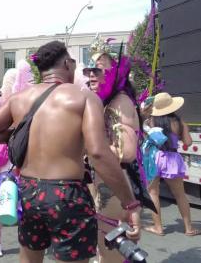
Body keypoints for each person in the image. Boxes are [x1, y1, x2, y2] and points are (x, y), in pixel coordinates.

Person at [0, 41, 141, 263]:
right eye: (74, 62)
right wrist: (130, 203)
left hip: (29, 191)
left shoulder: (20, 98)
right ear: (66, 63)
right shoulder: (84, 97)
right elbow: (98, 152)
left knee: (29, 257)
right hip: (67, 195)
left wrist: (17, 135)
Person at [84, 39, 150, 263]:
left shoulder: (119, 102)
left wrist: (91, 148)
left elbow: (127, 152)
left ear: (115, 71)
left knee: (110, 252)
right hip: (109, 186)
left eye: (97, 70)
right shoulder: (106, 102)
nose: (91, 75)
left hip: (118, 187)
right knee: (106, 251)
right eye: (89, 70)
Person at [145, 92, 200, 236]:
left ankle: (158, 227)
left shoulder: (151, 121)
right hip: (172, 159)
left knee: (153, 193)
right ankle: (188, 229)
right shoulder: (179, 122)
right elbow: (188, 143)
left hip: (155, 157)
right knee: (180, 195)